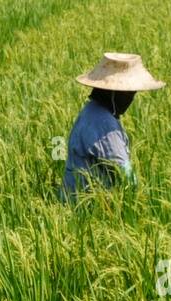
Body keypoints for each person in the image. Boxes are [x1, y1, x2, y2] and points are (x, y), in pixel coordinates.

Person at [62, 52, 165, 200]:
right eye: (129, 93)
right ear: (114, 93)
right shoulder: (105, 125)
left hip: (75, 199)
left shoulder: (90, 110)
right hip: (87, 207)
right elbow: (126, 176)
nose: (131, 99)